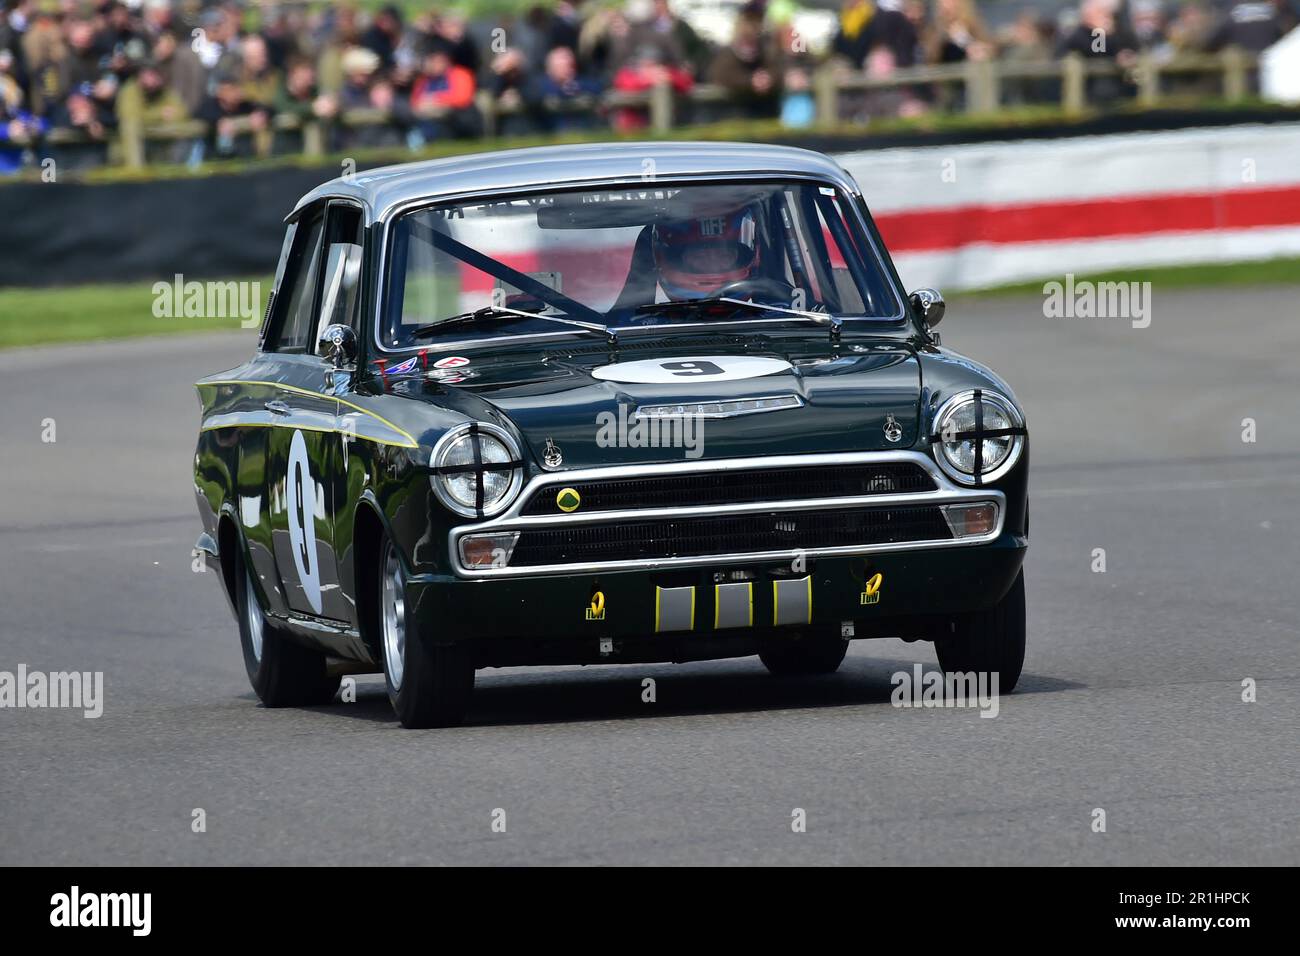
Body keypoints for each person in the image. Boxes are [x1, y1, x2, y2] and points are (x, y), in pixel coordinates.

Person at [650, 208, 761, 301]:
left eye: (724, 255)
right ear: (675, 259)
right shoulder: (641, 326)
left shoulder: (775, 316)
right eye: (700, 256)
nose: (714, 266)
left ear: (742, 256)